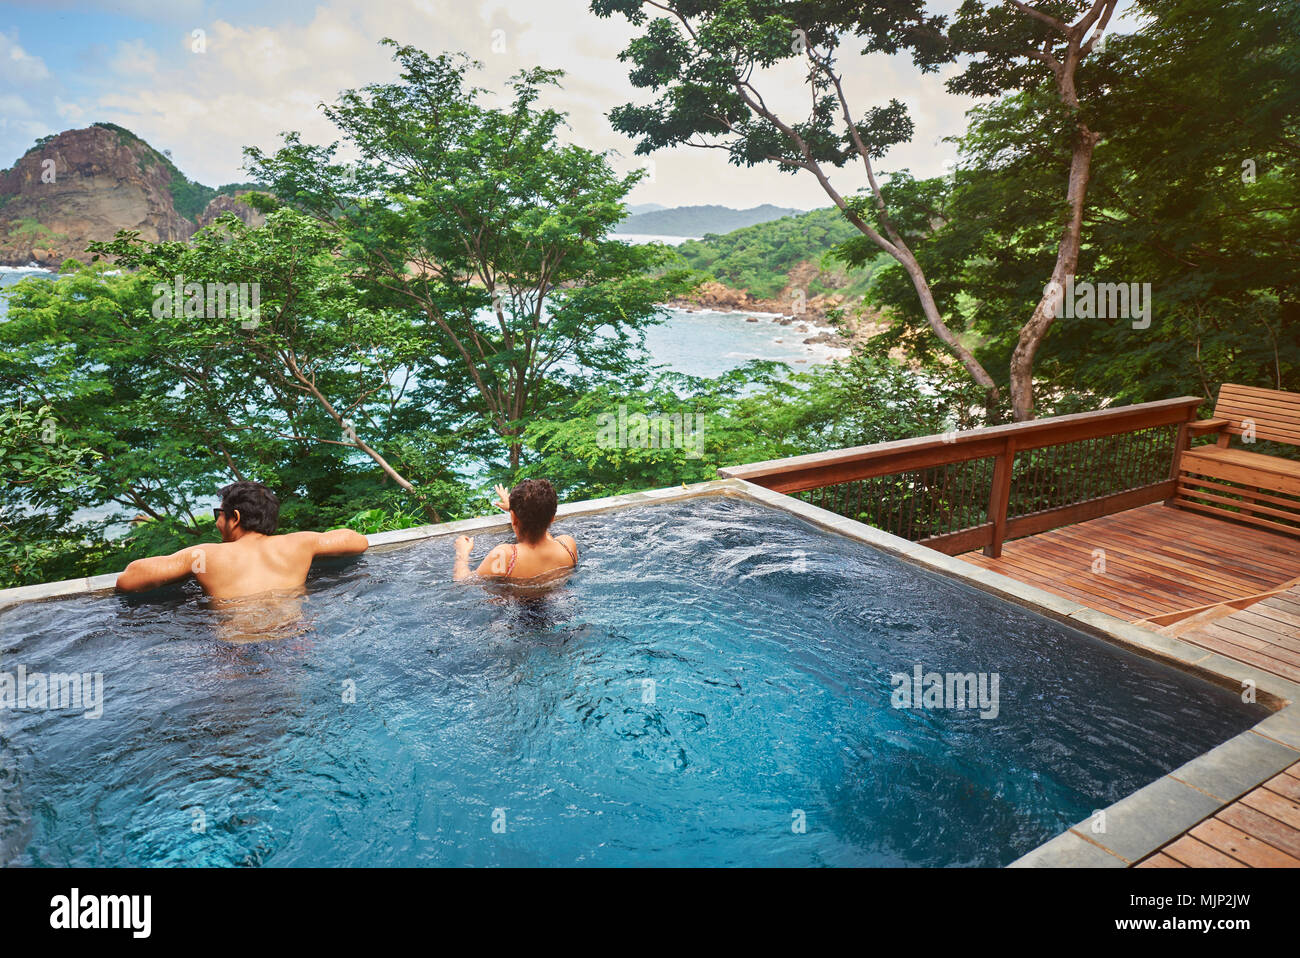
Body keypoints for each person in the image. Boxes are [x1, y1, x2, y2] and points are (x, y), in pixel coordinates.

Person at [115, 481, 368, 599]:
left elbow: (129, 580)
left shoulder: (204, 556)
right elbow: (357, 541)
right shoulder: (300, 543)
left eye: (219, 514)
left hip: (236, 653)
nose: (216, 523)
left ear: (234, 518)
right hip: (293, 643)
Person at [454, 479, 578, 582]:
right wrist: (516, 510)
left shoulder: (505, 556)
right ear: (552, 518)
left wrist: (462, 553)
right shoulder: (567, 546)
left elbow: (463, 581)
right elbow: (541, 525)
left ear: (513, 518)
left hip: (518, 609)